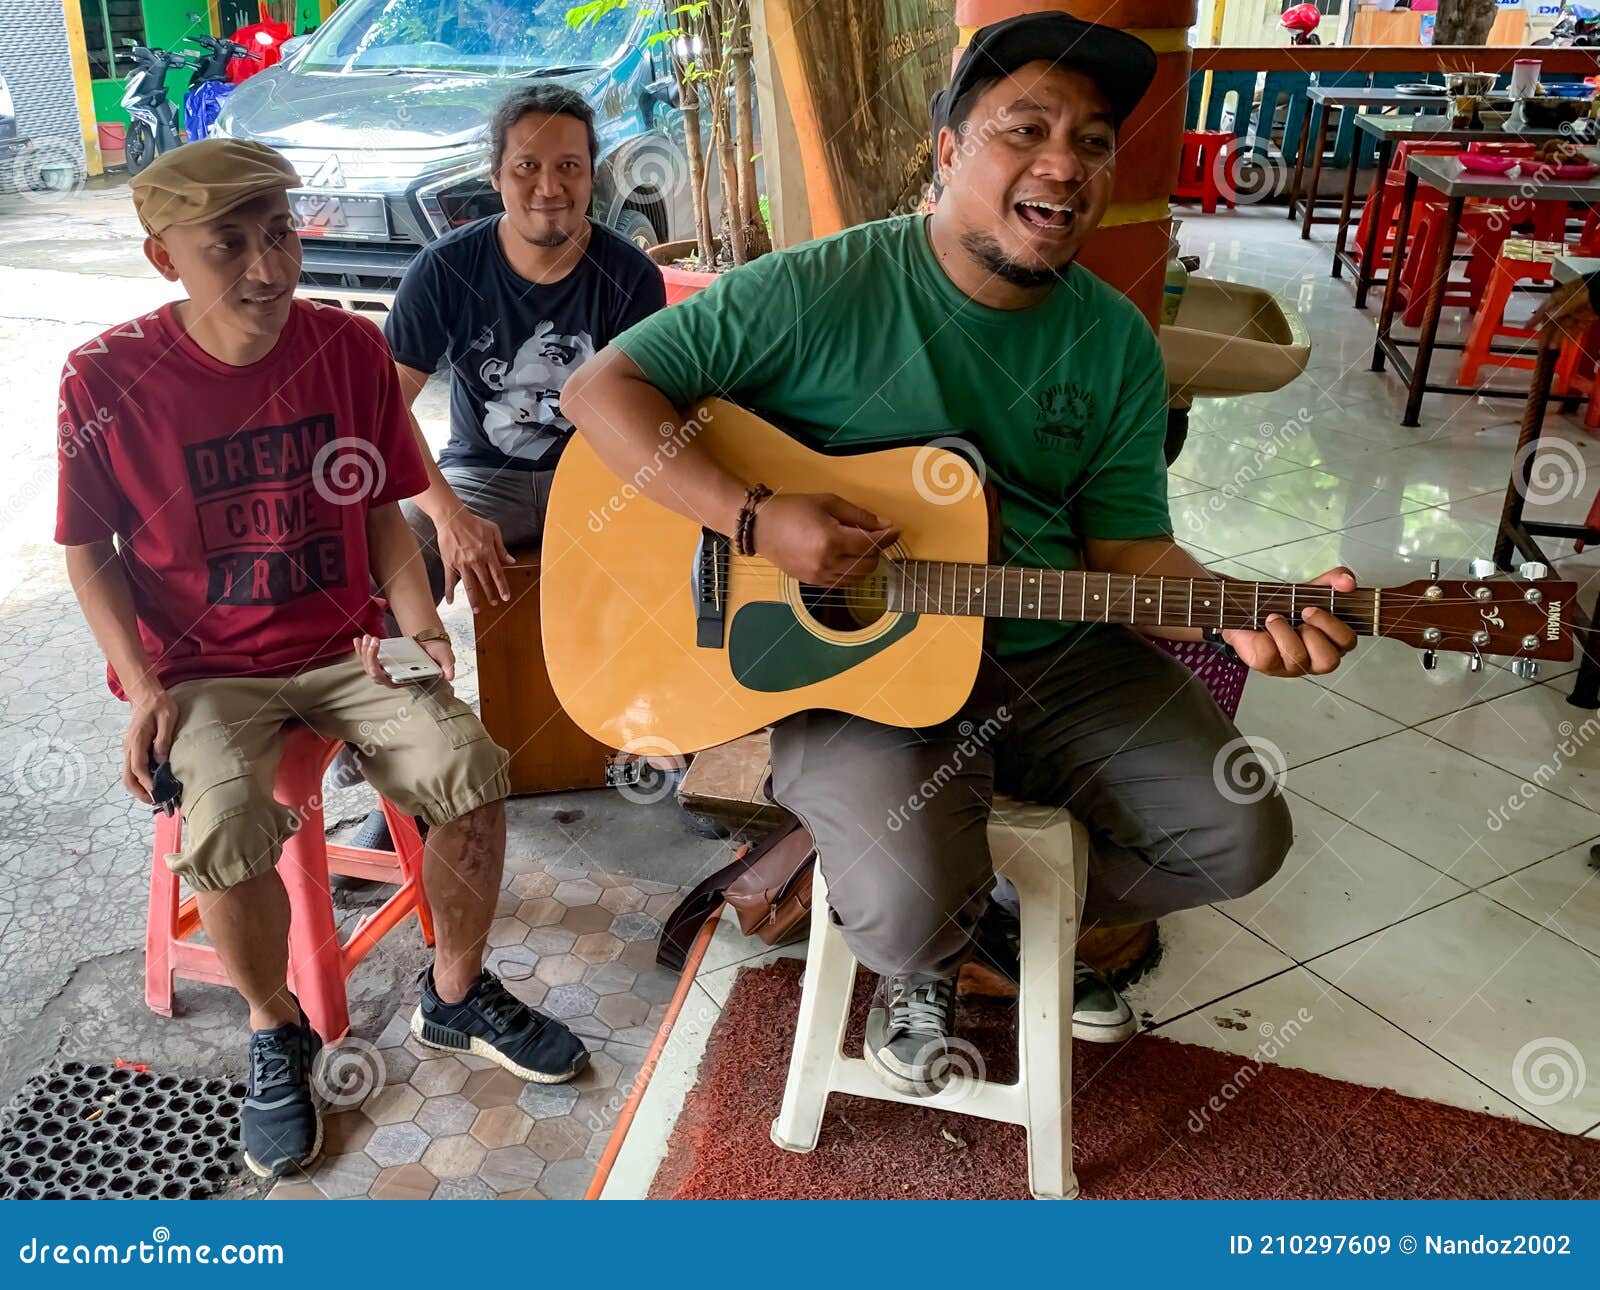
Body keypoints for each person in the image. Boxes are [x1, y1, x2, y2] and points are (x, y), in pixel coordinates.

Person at [565, 13, 1357, 1097]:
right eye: (1024, 129)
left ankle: (990, 928)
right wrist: (748, 519)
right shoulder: (819, 290)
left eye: (1090, 142)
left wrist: (1237, 609)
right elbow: (598, 391)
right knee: (897, 901)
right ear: (947, 152)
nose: (1063, 164)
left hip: (1053, 655)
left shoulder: (1115, 340)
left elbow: (1128, 547)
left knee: (1235, 832)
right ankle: (921, 954)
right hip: (858, 673)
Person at [54, 139, 588, 1179]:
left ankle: (455, 993)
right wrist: (145, 685)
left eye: (282, 234)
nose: (269, 268)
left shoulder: (343, 350)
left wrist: (418, 633)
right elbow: (89, 552)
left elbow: (384, 510)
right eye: (230, 247)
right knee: (224, 825)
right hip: (202, 670)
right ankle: (275, 1028)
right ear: (166, 259)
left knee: (473, 772)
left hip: (351, 646)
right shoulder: (107, 377)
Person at [332, 83, 668, 849]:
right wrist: (449, 516)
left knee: (705, 551)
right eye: (527, 167)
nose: (549, 187)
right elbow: (384, 411)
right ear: (495, 174)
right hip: (482, 478)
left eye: (571, 167)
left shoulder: (629, 276)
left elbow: (660, 411)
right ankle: (406, 765)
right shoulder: (445, 269)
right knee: (392, 555)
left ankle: (676, 740)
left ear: (595, 174)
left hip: (606, 478)